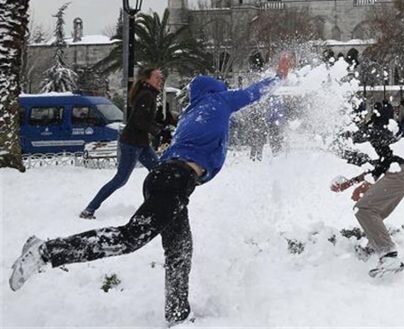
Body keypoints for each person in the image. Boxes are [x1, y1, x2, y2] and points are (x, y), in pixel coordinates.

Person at [10, 55, 293, 324]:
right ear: (215, 89)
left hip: (167, 180)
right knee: (130, 238)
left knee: (179, 251)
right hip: (174, 181)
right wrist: (278, 77)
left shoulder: (191, 113)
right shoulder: (218, 101)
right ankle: (46, 251)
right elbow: (253, 93)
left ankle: (177, 314)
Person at [330, 104, 404, 278]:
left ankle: (388, 255)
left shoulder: (376, 132)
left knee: (364, 209)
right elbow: (381, 164)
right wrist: (350, 183)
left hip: (400, 172)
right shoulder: (387, 131)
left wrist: (362, 184)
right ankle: (372, 245)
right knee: (373, 213)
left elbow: (383, 163)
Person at [81, 67, 167, 219]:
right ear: (147, 79)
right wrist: (158, 131)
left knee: (158, 171)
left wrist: (160, 126)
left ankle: (155, 206)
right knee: (120, 179)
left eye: (161, 78)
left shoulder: (149, 95)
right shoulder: (146, 95)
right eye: (157, 78)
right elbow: (140, 121)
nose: (160, 80)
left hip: (141, 143)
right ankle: (89, 209)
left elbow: (145, 119)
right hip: (131, 143)